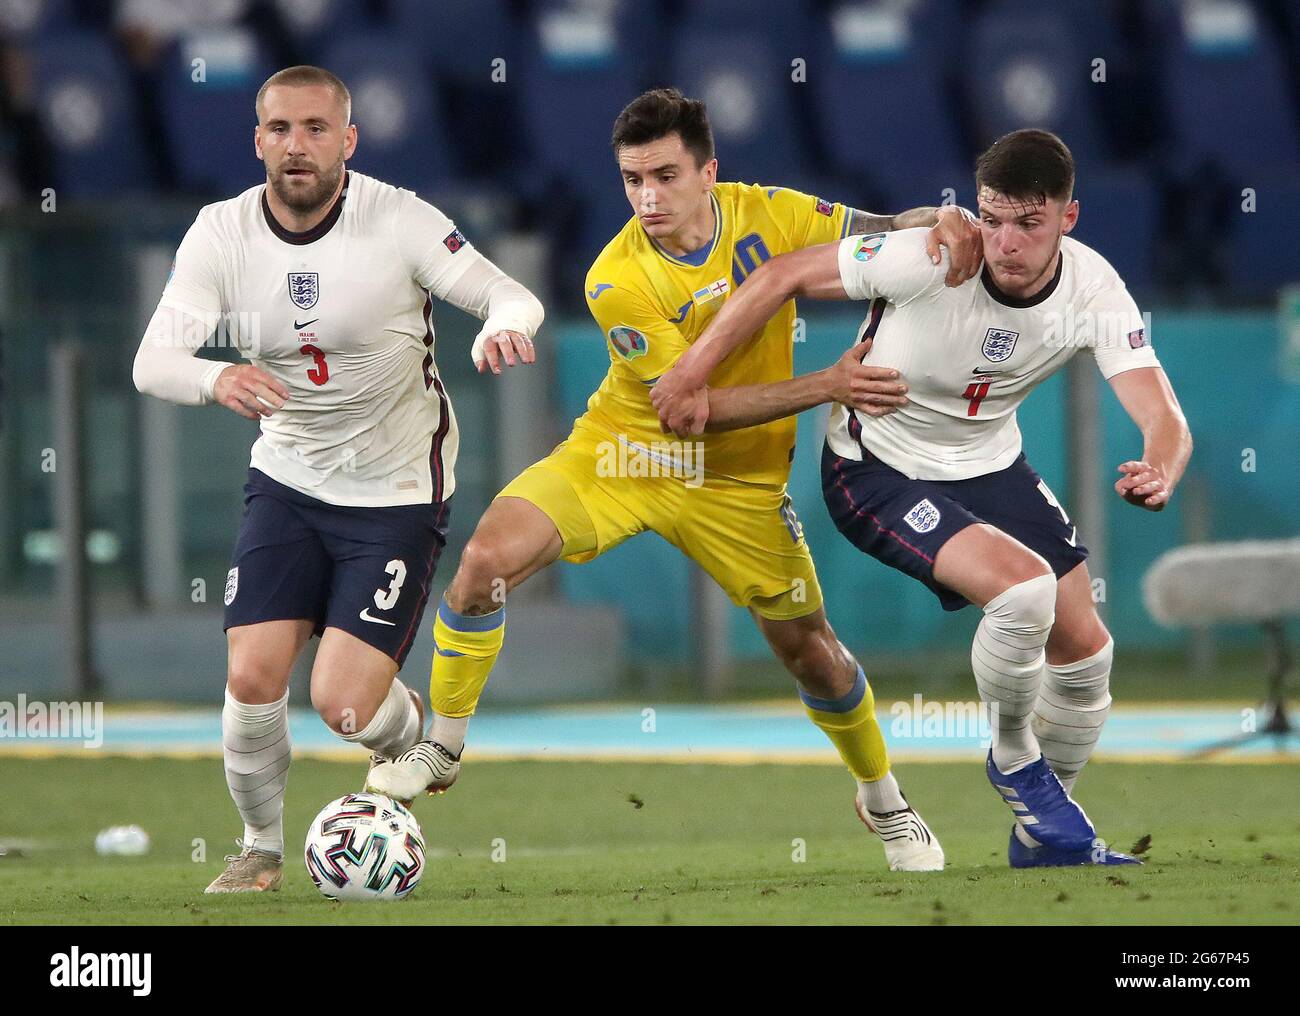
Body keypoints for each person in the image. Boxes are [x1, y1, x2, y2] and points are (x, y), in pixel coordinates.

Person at [366, 88, 982, 872]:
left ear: (708, 172)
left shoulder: (770, 212)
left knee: (811, 653)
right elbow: (687, 412)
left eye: (664, 175)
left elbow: (876, 234)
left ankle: (884, 799)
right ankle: (444, 745)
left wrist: (940, 218)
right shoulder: (614, 278)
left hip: (740, 485)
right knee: (485, 560)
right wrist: (825, 385)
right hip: (625, 454)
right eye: (632, 180)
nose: (647, 197)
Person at [651, 128, 1193, 867]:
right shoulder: (931, 255)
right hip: (876, 465)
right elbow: (779, 275)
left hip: (990, 465)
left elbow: (1163, 415)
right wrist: (690, 374)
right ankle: (1012, 756)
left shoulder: (1095, 289)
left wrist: (1160, 467)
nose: (1003, 241)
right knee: (1025, 593)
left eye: (1028, 224)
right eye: (992, 217)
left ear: (1068, 219)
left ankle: (1044, 832)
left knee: (1088, 656)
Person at [132, 65, 544, 892]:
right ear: (258, 141)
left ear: (348, 141)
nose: (298, 146)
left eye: (317, 129)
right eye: (280, 129)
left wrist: (501, 327)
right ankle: (258, 848)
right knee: (250, 677)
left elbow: (513, 296)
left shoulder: (397, 219)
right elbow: (153, 361)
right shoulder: (219, 233)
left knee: (343, 706)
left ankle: (411, 728)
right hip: (287, 478)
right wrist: (218, 379)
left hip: (396, 491)